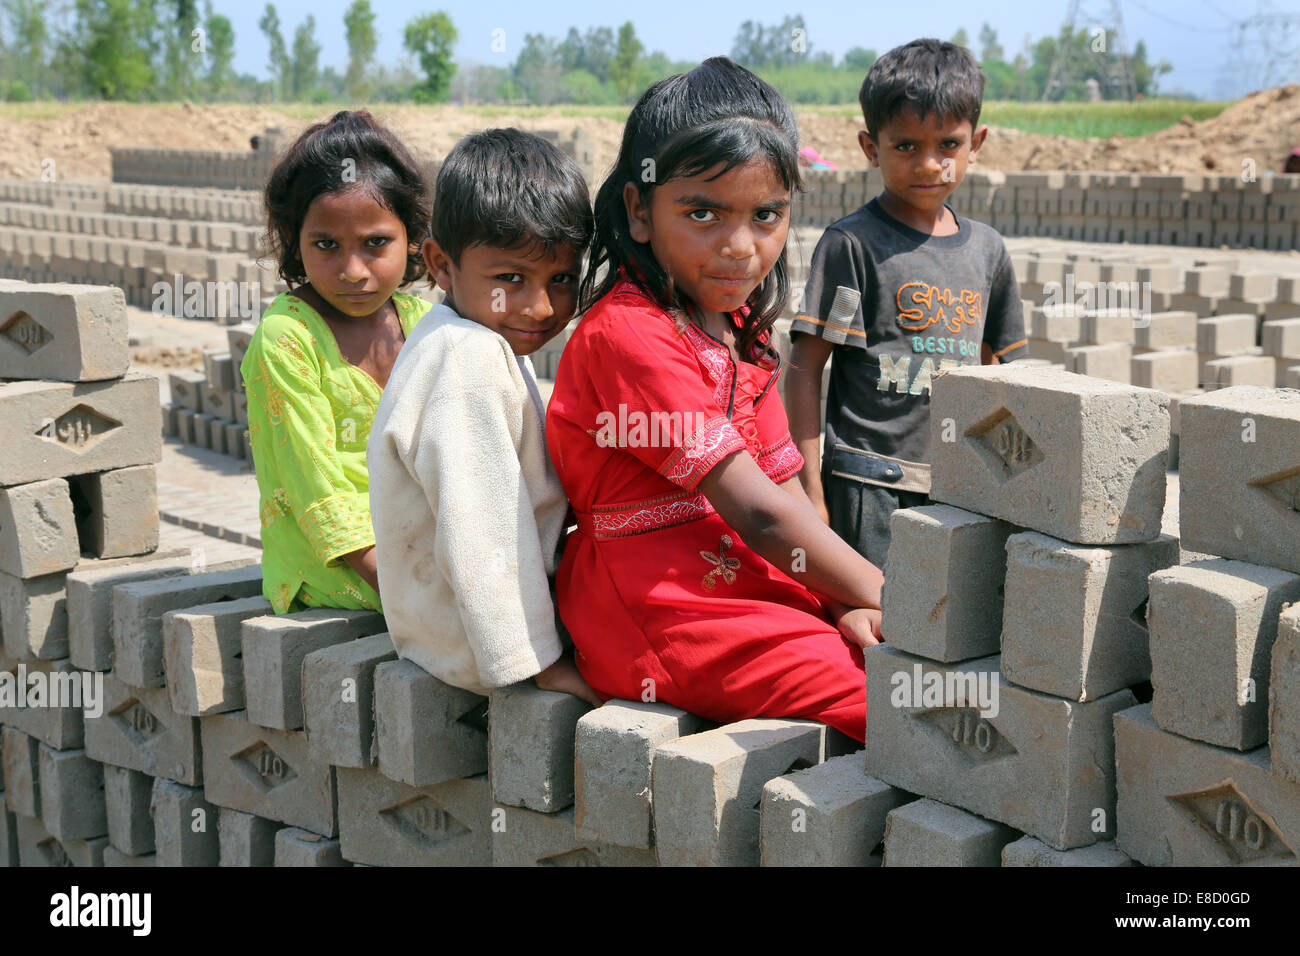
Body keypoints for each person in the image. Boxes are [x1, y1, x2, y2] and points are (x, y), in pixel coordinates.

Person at [546, 57, 884, 743]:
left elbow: (789, 496)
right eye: (702, 213)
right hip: (661, 608)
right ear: (640, 211)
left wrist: (843, 600)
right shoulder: (628, 336)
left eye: (767, 215)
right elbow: (759, 513)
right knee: (892, 704)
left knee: (880, 651)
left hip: (747, 586)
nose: (739, 248)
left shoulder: (739, 333)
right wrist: (896, 598)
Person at [368, 129, 600, 705]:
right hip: (472, 646)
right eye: (511, 280)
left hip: (452, 631)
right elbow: (481, 532)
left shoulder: (468, 332)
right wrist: (540, 664)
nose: (540, 307)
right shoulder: (464, 357)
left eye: (562, 280)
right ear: (442, 265)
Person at [785, 38, 1028, 569]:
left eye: (948, 145)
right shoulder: (853, 245)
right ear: (871, 148)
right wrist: (809, 489)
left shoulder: (988, 250)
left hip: (959, 485)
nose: (929, 163)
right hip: (868, 485)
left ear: (976, 143)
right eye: (905, 147)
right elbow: (804, 369)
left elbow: (1002, 370)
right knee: (878, 631)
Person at [241, 109, 432, 614]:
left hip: (415, 546)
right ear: (293, 240)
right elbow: (316, 490)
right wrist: (409, 592)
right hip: (337, 566)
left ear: (412, 236)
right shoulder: (287, 340)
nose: (353, 272)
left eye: (375, 244)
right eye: (327, 245)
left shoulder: (421, 321)